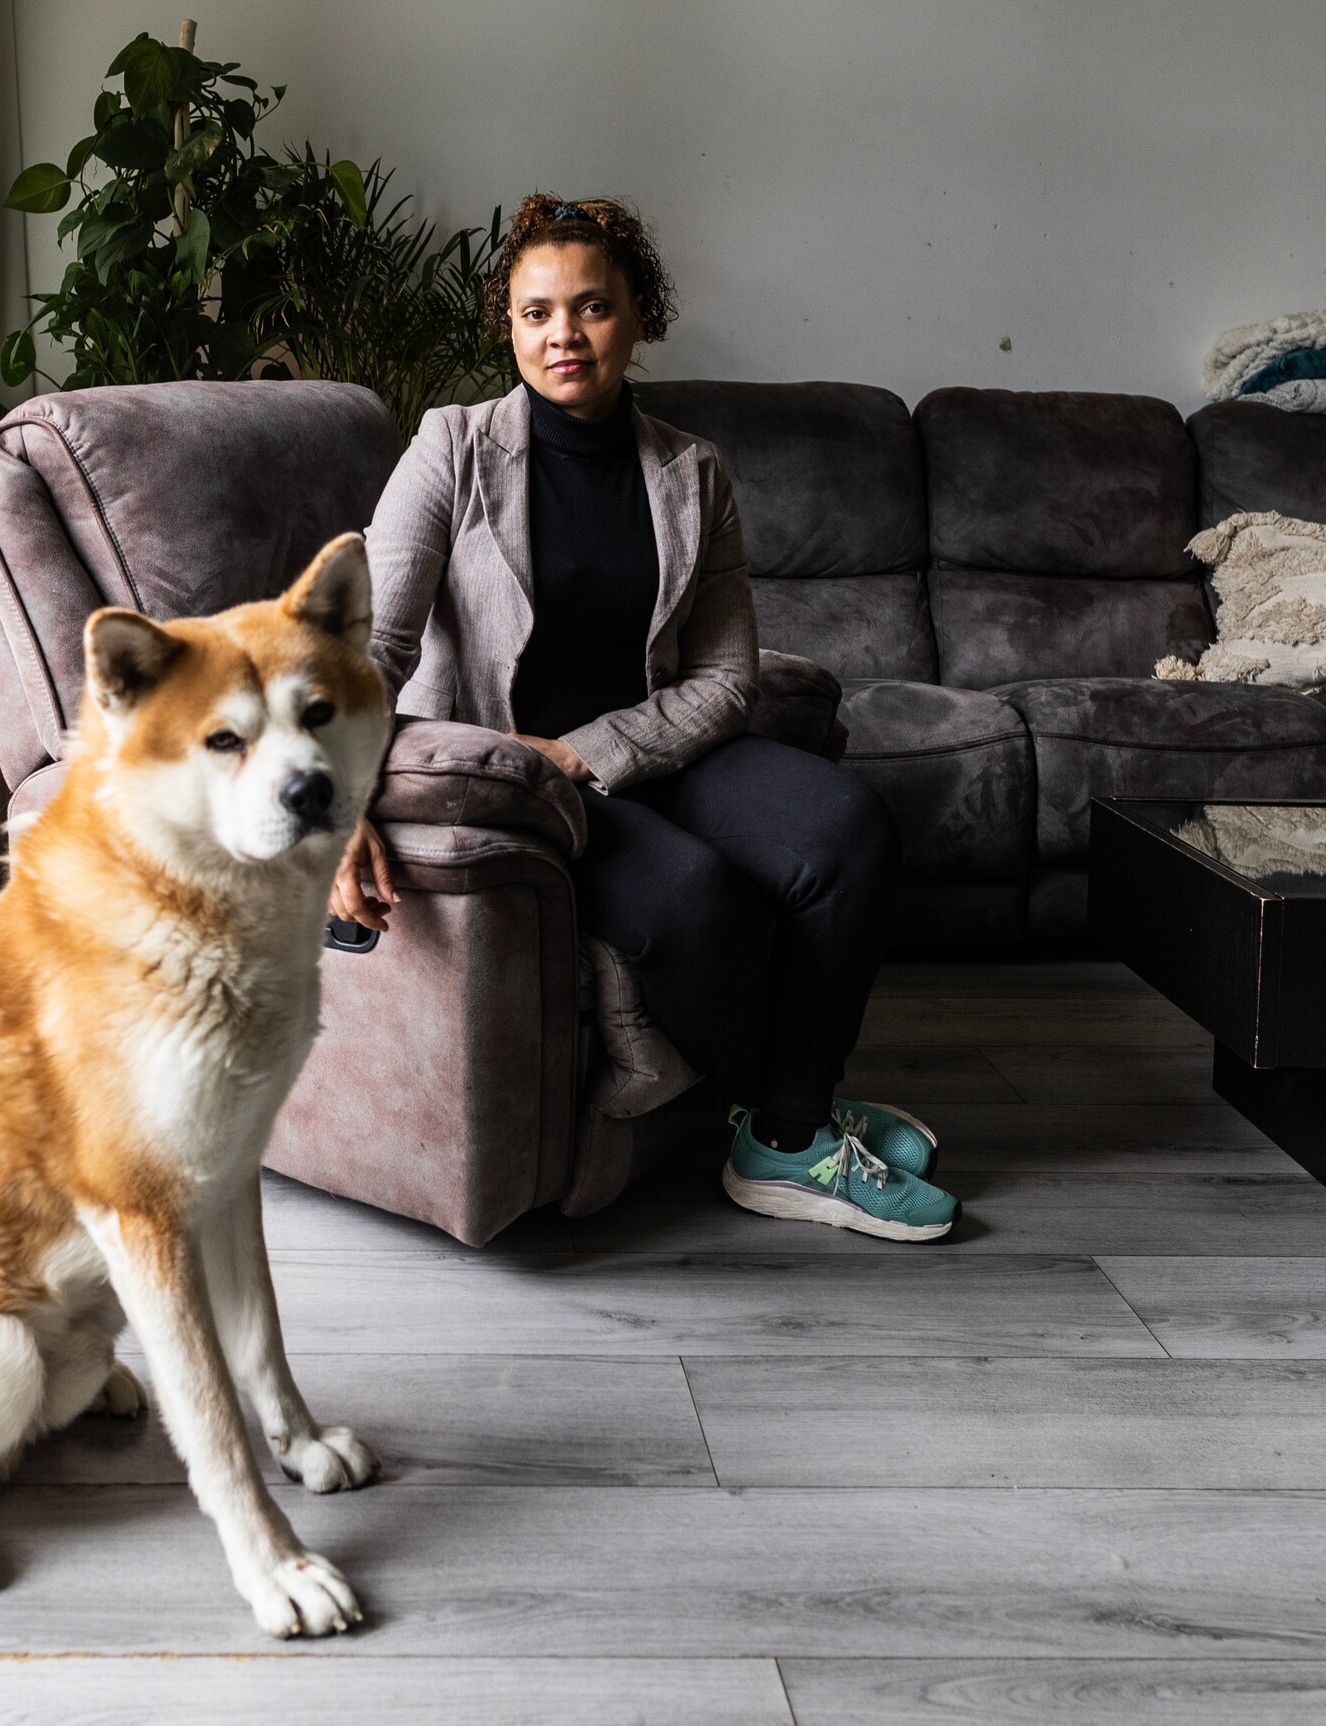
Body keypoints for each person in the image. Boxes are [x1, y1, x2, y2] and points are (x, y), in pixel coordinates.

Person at [338, 195, 960, 1243]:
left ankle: (788, 1125)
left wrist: (588, 751)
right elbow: (372, 649)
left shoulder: (690, 470)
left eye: (589, 308)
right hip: (512, 778)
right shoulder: (450, 448)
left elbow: (725, 677)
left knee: (845, 830)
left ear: (638, 318)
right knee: (695, 898)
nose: (561, 335)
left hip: (640, 749)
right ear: (508, 325)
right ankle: (793, 1121)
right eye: (535, 313)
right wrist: (339, 790)